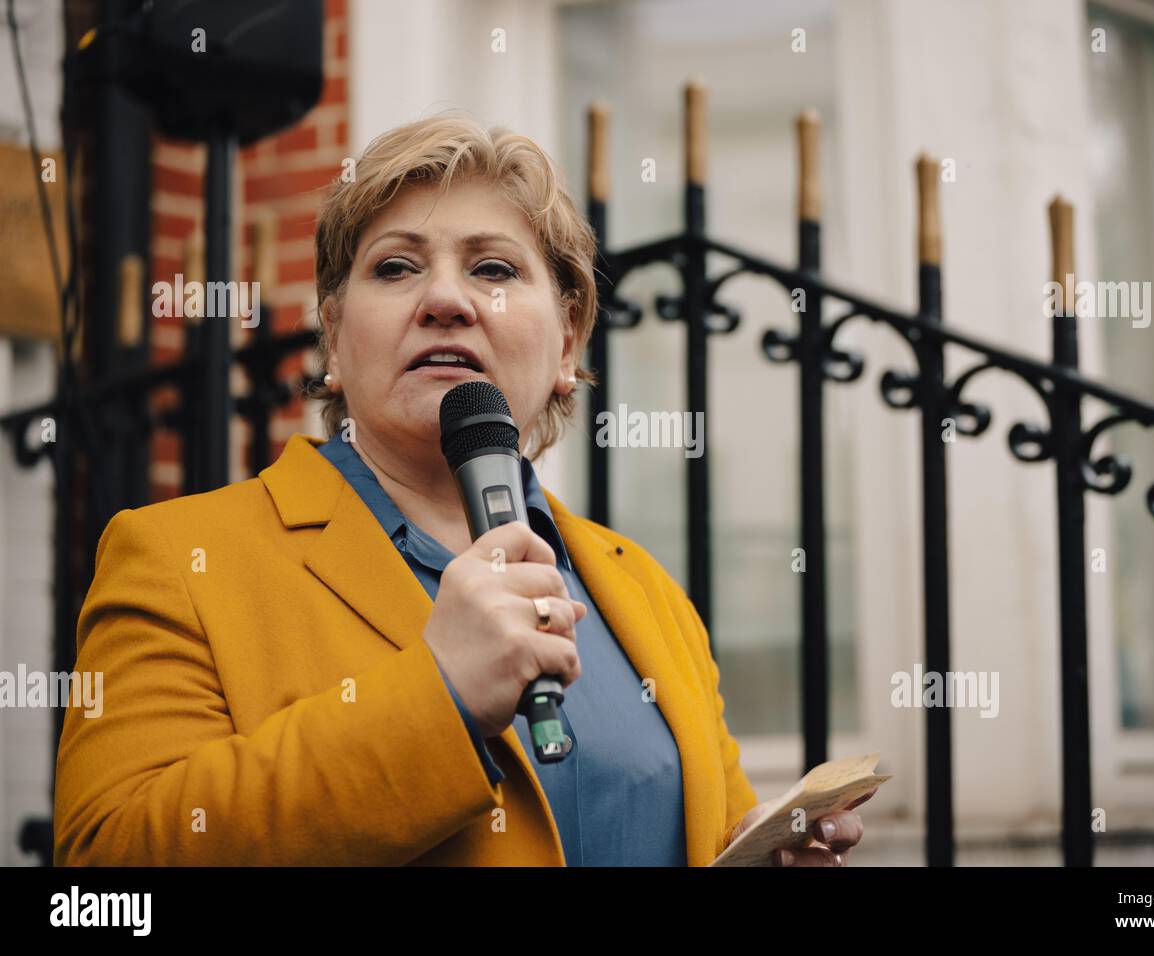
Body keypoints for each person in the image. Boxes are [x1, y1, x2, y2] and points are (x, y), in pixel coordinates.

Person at [53, 112, 870, 866]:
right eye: (397, 266)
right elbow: (107, 870)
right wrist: (437, 696)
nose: (446, 299)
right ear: (334, 338)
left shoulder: (645, 593)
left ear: (567, 341)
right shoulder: (179, 561)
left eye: (493, 267)